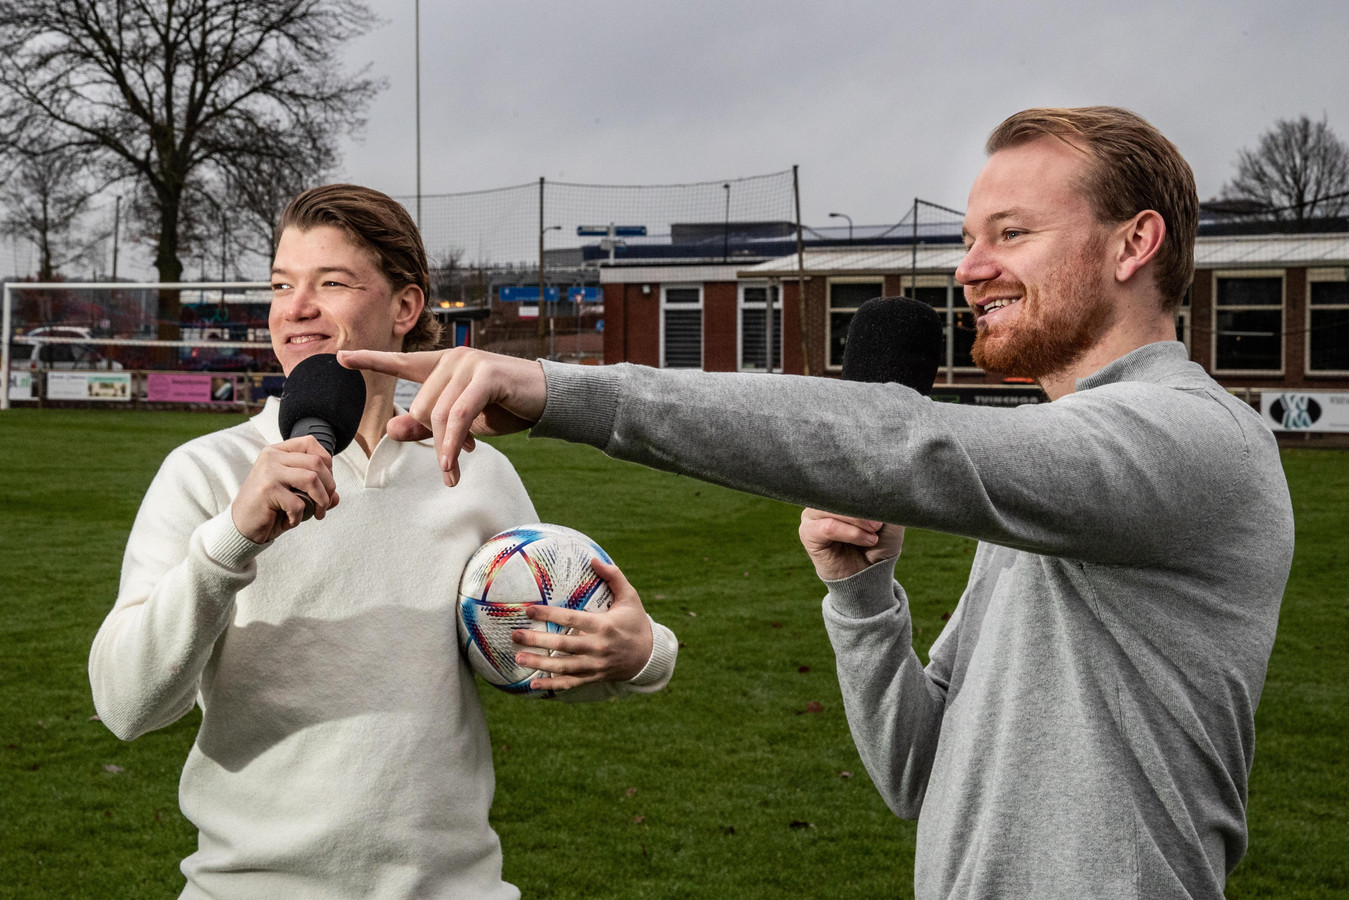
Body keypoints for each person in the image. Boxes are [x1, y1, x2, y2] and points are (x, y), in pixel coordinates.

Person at [343, 107, 1295, 900]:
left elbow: (903, 442)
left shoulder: (1190, 440)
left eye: (1012, 233)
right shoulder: (1059, 481)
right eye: (970, 240)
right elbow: (918, 774)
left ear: (1136, 241)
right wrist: (862, 597)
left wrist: (562, 390)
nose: (970, 269)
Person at [89, 183, 678, 899]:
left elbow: (539, 660)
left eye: (330, 282)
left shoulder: (477, 475)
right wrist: (229, 544)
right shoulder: (207, 473)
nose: (295, 308)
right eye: (281, 284)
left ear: (405, 307)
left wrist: (640, 653)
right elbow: (126, 705)